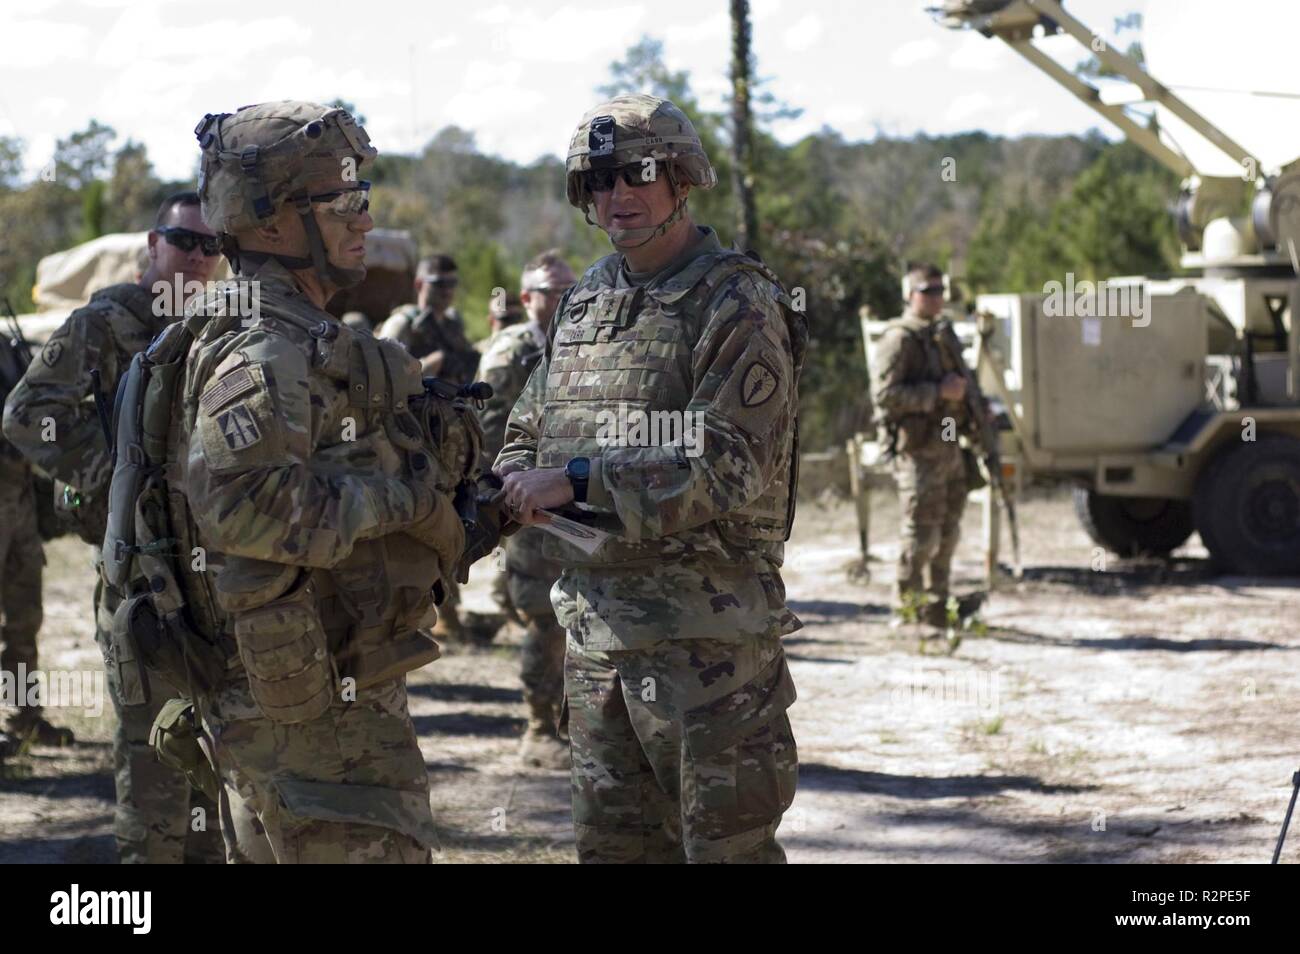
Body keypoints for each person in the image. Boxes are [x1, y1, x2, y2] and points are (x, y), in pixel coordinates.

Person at [497, 94, 806, 863]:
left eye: (637, 173)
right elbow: (529, 426)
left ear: (681, 178)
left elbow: (730, 456)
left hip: (707, 646)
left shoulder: (736, 298)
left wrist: (575, 481)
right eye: (598, 181)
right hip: (596, 637)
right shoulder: (590, 299)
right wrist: (506, 481)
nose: (617, 196)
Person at [170, 100, 472, 863]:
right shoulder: (267, 348)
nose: (363, 219)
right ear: (270, 225)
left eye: (361, 197)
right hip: (314, 732)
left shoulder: (283, 332)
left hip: (300, 704)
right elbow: (244, 507)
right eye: (343, 202)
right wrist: (401, 500)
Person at [3, 191, 226, 863]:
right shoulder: (105, 323)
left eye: (211, 247)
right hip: (139, 579)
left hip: (218, 582)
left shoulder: (222, 329)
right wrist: (118, 478)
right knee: (152, 777)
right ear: (152, 246)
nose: (197, 258)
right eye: (183, 242)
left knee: (215, 771)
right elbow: (26, 414)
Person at [478, 250, 574, 768]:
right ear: (526, 298)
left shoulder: (578, 341)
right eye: (548, 291)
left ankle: (573, 724)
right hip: (525, 503)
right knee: (544, 615)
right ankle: (539, 730)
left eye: (566, 289)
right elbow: (487, 429)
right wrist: (503, 496)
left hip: (576, 500)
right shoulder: (511, 352)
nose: (558, 299)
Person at [871, 263, 987, 629]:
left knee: (949, 530)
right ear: (910, 294)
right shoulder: (900, 338)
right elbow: (885, 395)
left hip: (949, 445)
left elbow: (966, 382)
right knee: (921, 534)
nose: (937, 298)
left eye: (940, 291)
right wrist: (937, 392)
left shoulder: (942, 333)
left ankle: (938, 606)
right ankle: (906, 609)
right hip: (917, 451)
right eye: (928, 290)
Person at [377, 254, 479, 384]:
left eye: (452, 283)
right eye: (440, 284)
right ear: (419, 284)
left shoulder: (452, 325)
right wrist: (429, 365)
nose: (448, 291)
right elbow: (381, 376)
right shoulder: (402, 323)